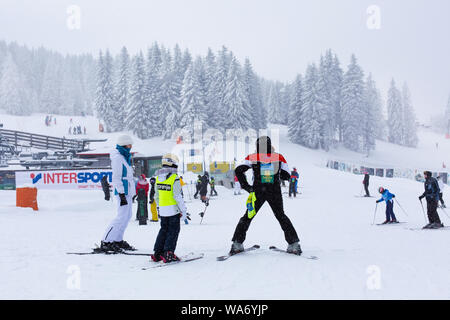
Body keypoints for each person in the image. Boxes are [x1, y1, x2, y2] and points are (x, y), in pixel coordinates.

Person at [230, 136, 301, 255]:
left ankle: (237, 243)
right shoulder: (278, 157)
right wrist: (277, 174)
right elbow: (287, 175)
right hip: (274, 191)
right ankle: (294, 244)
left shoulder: (252, 157)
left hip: (258, 191)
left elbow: (238, 170)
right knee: (281, 216)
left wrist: (246, 186)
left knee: (248, 216)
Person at [99, 135, 136, 253]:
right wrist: (121, 193)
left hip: (127, 191)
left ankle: (117, 239)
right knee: (121, 216)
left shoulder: (124, 157)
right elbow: (116, 178)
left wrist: (132, 192)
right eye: (129, 145)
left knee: (127, 216)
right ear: (124, 145)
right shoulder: (117, 158)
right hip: (122, 191)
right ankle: (106, 240)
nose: (130, 147)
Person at [150, 153, 188, 263]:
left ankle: (158, 253)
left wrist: (158, 207)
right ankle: (168, 252)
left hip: (162, 209)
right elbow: (177, 196)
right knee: (173, 231)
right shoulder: (174, 178)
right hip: (173, 209)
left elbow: (156, 195)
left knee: (163, 230)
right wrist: (183, 210)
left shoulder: (158, 177)